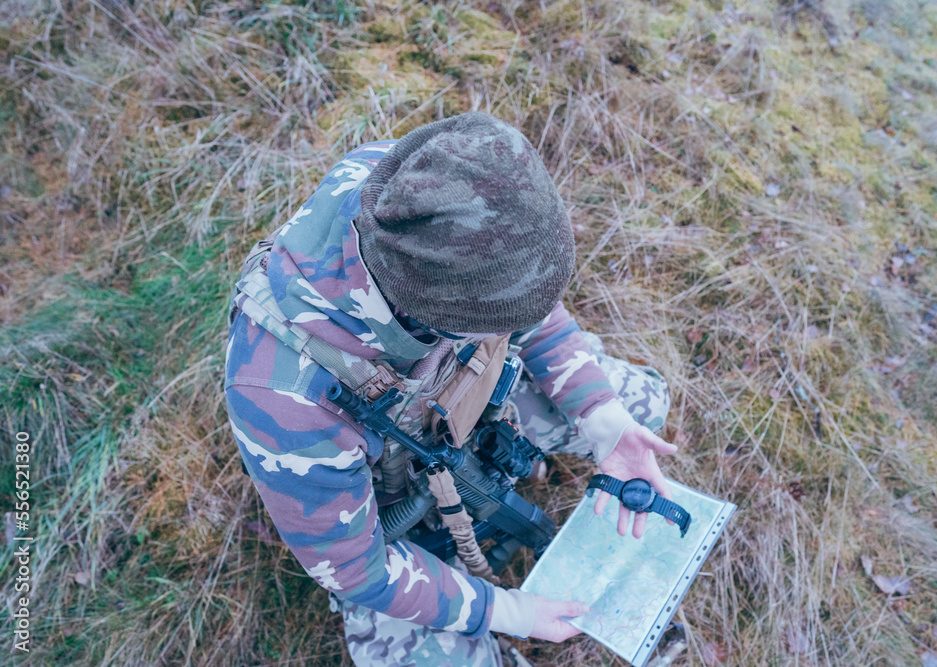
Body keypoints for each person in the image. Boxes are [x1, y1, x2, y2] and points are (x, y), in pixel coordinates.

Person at [224, 111, 677, 666]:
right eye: (497, 316)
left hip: (461, 400)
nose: (516, 320)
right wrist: (511, 611)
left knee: (642, 405)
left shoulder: (427, 186)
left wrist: (604, 421)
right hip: (386, 506)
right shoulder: (285, 400)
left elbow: (527, 307)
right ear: (437, 313)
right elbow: (356, 570)